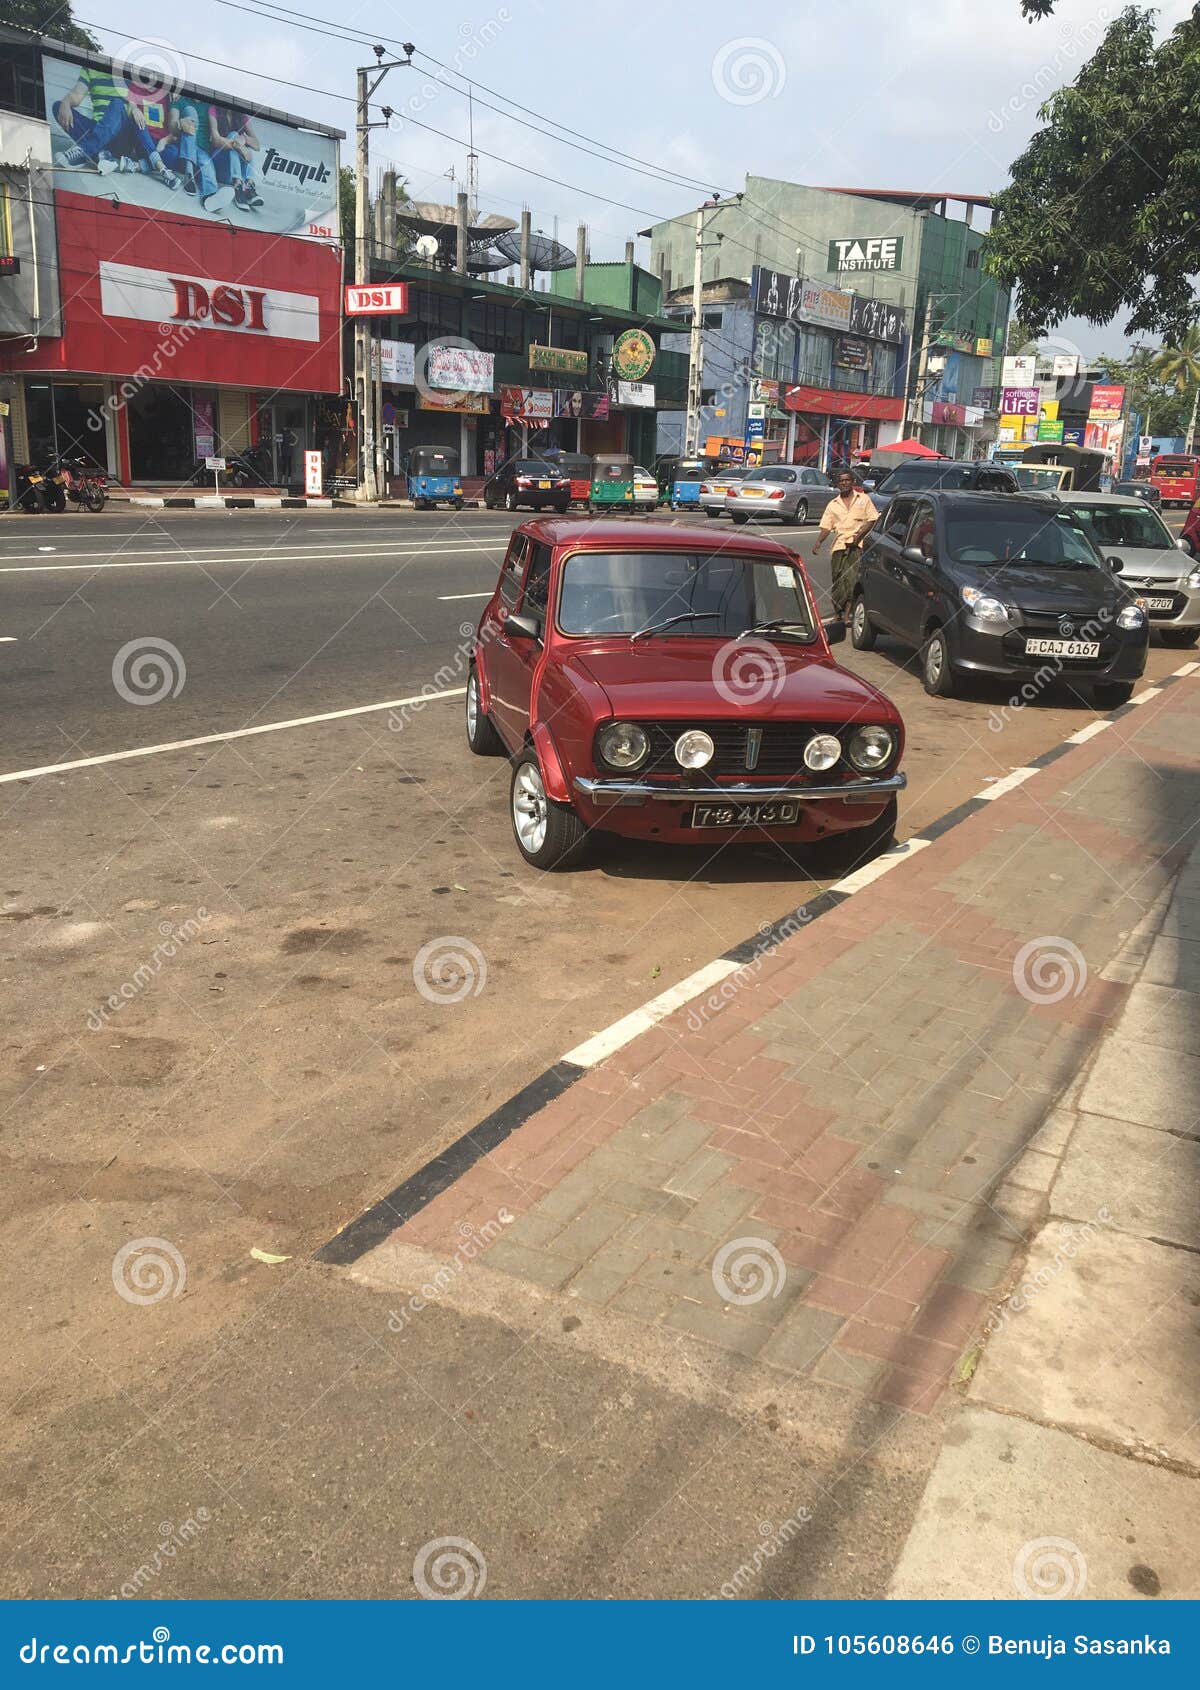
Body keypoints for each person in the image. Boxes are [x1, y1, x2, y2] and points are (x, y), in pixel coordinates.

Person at [53, 65, 179, 189]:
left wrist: (174, 87)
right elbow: (76, 95)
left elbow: (155, 79)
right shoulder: (91, 67)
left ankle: (86, 151)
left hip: (122, 135)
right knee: (58, 107)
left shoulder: (129, 69)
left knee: (117, 103)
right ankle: (102, 156)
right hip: (97, 129)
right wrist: (66, 102)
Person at [813, 470, 879, 617]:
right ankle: (838, 613)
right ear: (838, 484)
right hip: (839, 545)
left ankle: (847, 614)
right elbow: (826, 526)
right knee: (837, 580)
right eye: (841, 481)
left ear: (853, 481)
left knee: (851, 579)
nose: (844, 483)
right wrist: (818, 542)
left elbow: (872, 519)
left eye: (847, 480)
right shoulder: (833, 504)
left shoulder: (863, 499)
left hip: (857, 546)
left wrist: (859, 536)